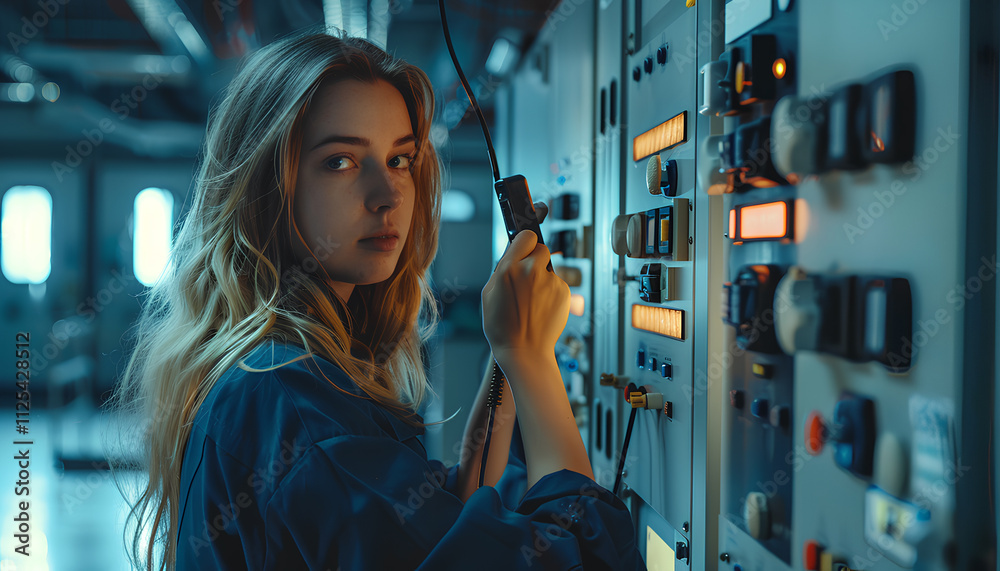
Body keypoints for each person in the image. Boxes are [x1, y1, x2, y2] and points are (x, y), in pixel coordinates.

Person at [106, 30, 646, 570]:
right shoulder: (293, 400)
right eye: (340, 161)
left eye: (399, 160)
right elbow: (587, 559)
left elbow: (439, 527)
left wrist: (511, 347)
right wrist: (533, 363)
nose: (387, 196)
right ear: (265, 185)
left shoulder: (271, 369)